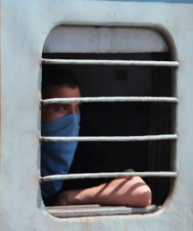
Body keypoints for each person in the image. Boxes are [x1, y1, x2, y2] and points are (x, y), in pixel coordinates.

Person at [40, 66, 152, 207]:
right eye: (61, 108)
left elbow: (141, 193)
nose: (73, 118)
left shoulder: (88, 146)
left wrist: (70, 197)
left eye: (77, 107)